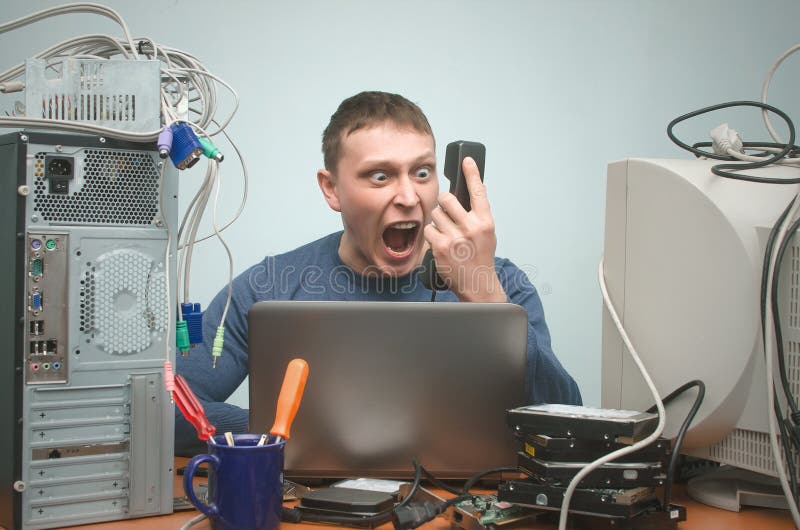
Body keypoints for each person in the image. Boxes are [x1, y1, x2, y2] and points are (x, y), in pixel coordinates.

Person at [175, 91, 581, 455]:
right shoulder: (268, 285)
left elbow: (569, 425)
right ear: (331, 188)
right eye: (380, 176)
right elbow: (170, 410)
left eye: (422, 173)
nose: (408, 197)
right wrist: (279, 433)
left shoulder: (501, 284)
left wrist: (489, 302)